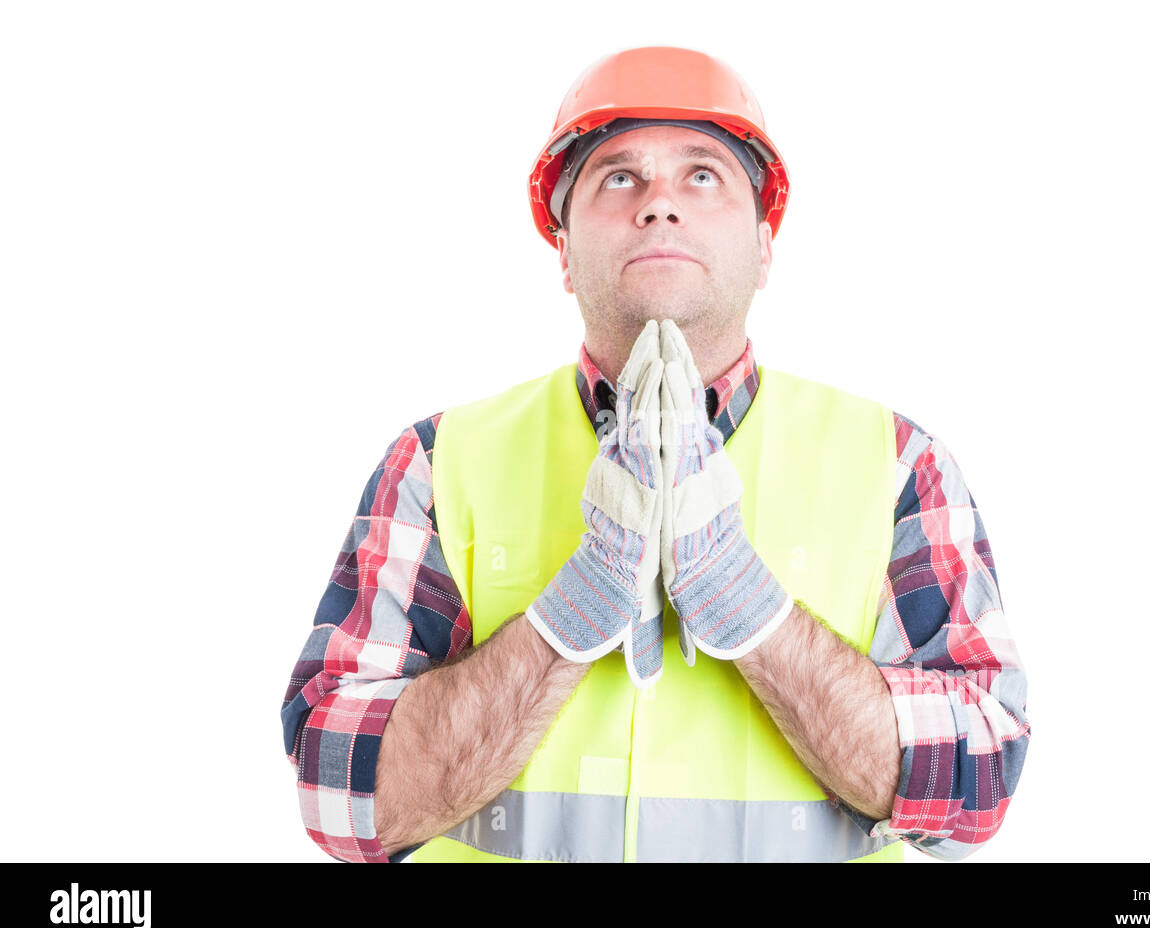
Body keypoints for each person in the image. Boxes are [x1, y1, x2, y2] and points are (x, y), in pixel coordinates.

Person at [279, 46, 1031, 863]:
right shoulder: (435, 462)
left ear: (765, 241)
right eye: (618, 178)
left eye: (702, 175)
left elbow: (976, 789)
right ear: (562, 249)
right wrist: (567, 615)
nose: (660, 204)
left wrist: (749, 608)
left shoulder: (895, 465)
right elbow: (342, 800)